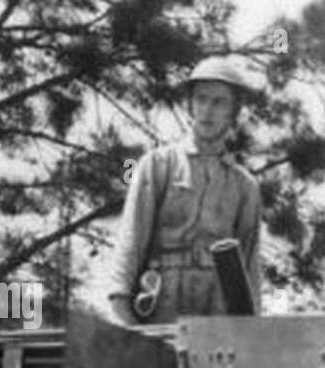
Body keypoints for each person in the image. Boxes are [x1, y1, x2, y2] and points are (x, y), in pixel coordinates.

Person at [108, 56, 264, 325]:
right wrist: (122, 305)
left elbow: (249, 265)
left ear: (233, 111)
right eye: (201, 99)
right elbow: (132, 238)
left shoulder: (244, 186)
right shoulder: (157, 165)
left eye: (218, 102)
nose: (207, 110)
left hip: (217, 307)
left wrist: (251, 327)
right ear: (190, 104)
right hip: (162, 300)